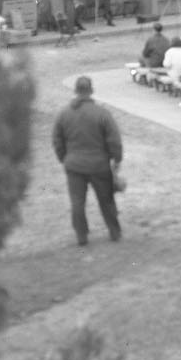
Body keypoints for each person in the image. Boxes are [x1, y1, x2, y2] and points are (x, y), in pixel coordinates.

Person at [52, 76, 123, 246]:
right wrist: (116, 159)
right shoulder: (102, 113)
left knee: (77, 202)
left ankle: (81, 236)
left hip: (74, 165)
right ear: (91, 91)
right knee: (106, 200)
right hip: (99, 164)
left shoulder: (63, 113)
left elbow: (57, 140)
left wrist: (64, 158)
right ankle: (114, 231)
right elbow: (114, 140)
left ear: (75, 91)